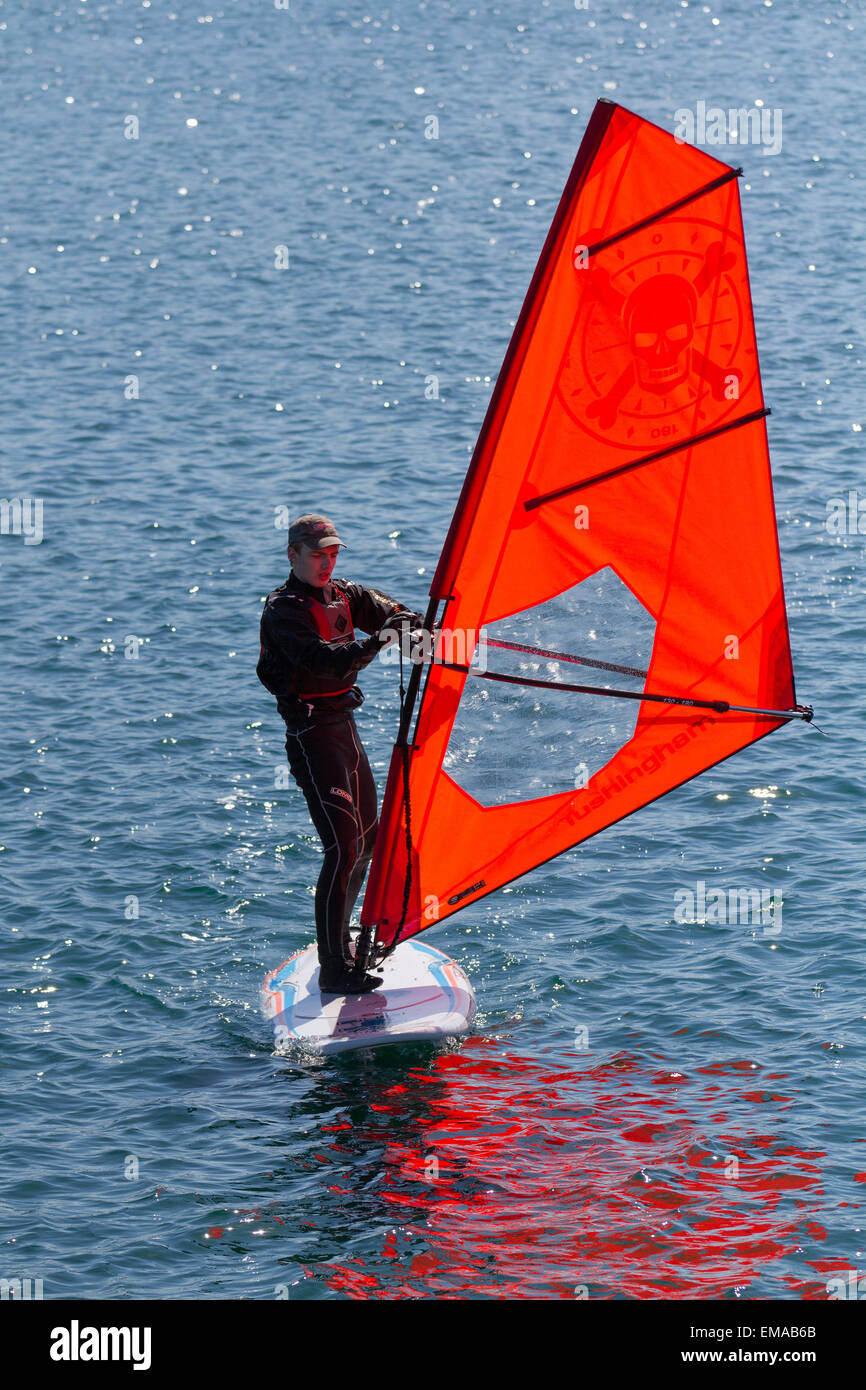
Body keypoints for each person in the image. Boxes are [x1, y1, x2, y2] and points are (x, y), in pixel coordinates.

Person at [257, 514, 425, 995]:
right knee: (343, 847)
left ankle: (346, 944)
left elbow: (398, 615)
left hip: (344, 727)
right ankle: (333, 969)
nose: (327, 563)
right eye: (317, 555)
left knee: (368, 842)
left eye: (333, 554)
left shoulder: (346, 594)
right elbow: (328, 664)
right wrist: (379, 641)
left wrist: (414, 629)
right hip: (312, 733)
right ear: (293, 556)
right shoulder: (283, 611)